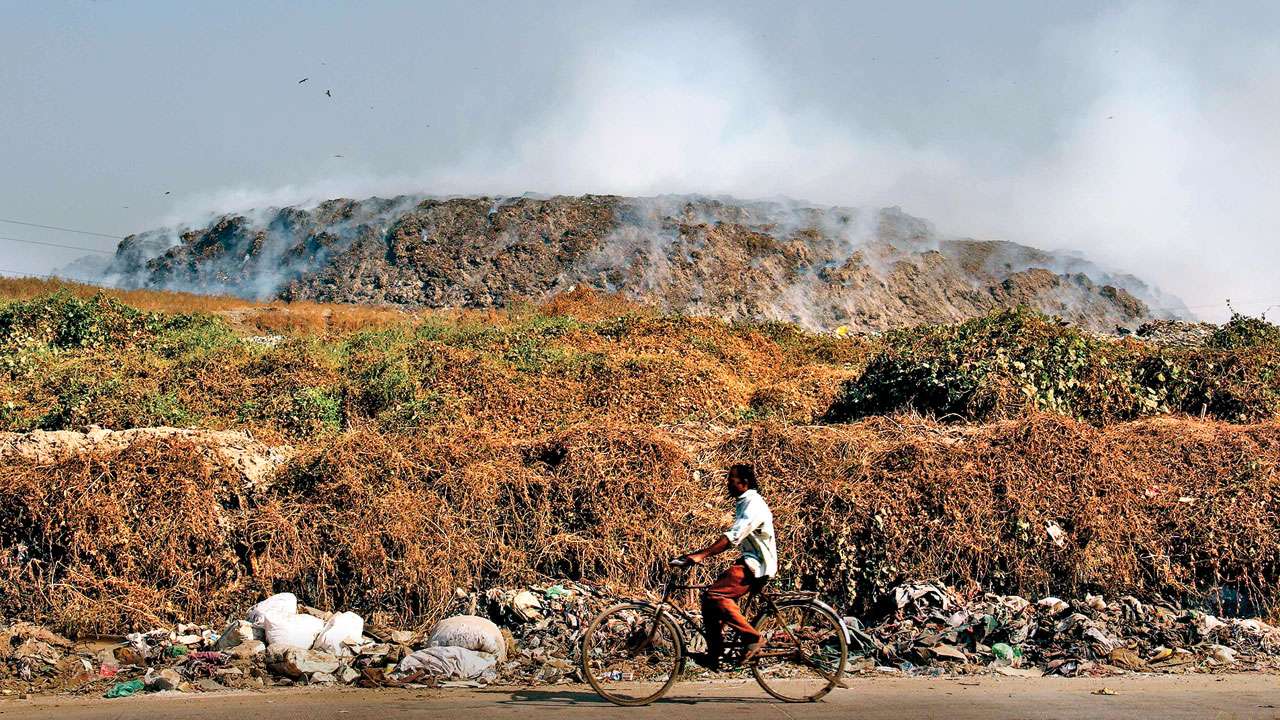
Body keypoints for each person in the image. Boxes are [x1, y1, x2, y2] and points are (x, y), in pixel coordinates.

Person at [677, 463, 777, 670]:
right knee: (708, 599)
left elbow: (733, 537)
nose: (727, 483)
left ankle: (753, 638)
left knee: (717, 595)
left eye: (731, 480)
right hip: (749, 561)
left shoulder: (754, 505)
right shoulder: (744, 502)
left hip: (757, 565)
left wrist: (701, 555)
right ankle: (715, 653)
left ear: (744, 482)